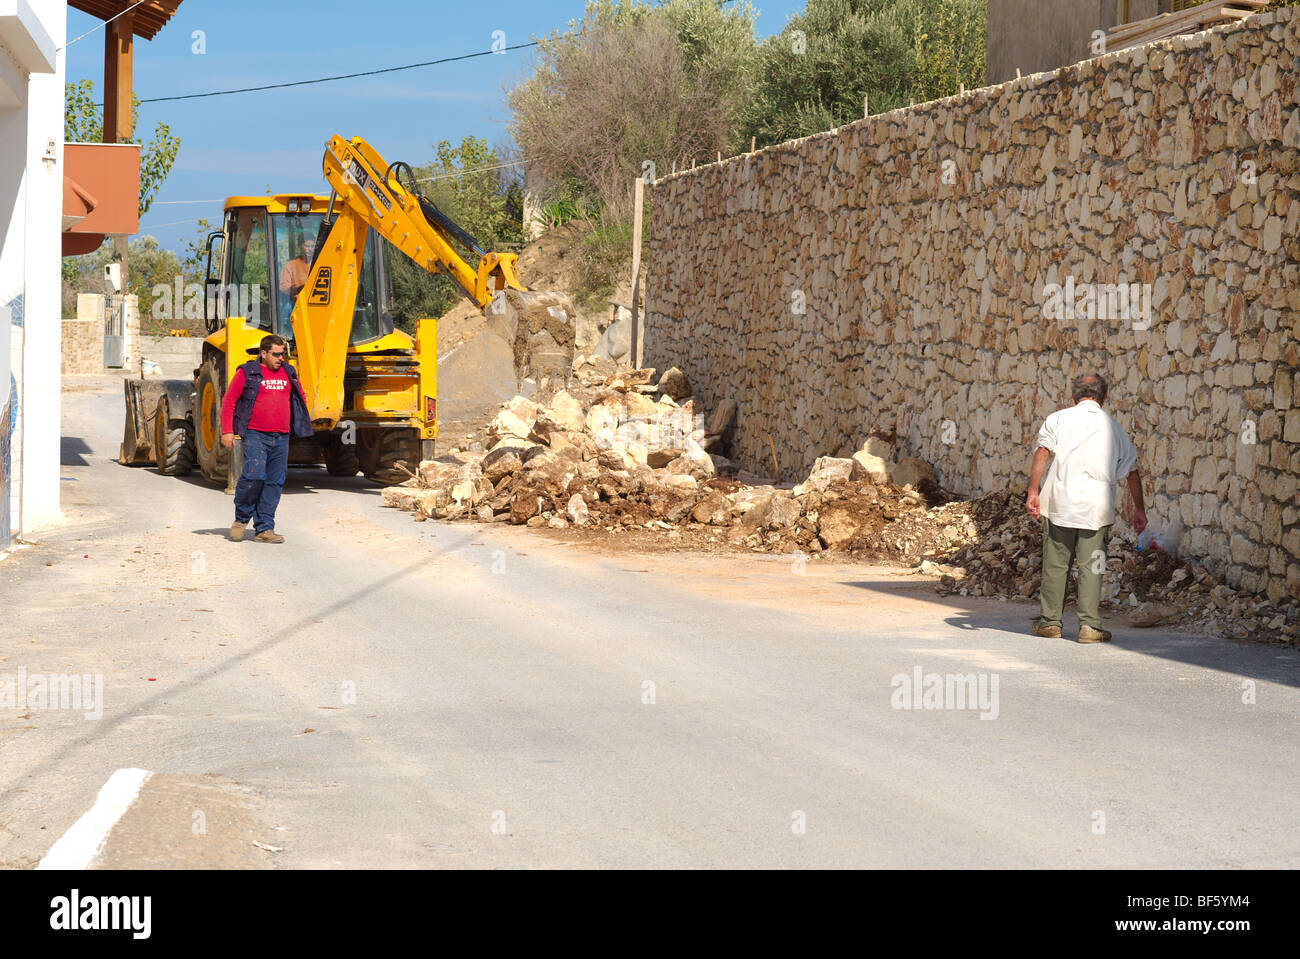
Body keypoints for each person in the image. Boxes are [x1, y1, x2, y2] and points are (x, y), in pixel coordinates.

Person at [1025, 373, 1147, 643]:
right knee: (1093, 566)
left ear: (1073, 396)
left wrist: (1033, 491)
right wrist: (1139, 510)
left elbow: (1042, 451)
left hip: (1059, 502)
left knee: (1056, 564)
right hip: (1096, 507)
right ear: (1104, 398)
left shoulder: (1057, 419)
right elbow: (1132, 471)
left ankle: (1050, 623)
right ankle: (1090, 627)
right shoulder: (1113, 427)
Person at [220, 334, 314, 543]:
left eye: (283, 354)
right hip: (255, 434)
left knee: (274, 482)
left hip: (281, 436)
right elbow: (229, 401)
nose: (281, 358)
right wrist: (227, 431)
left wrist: (299, 424)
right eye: (276, 354)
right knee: (254, 476)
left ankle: (264, 528)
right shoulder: (248, 373)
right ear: (263, 354)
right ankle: (241, 519)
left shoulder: (289, 372)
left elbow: (299, 397)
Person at [278, 235, 317, 325]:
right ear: (299, 246)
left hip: (315, 303)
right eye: (307, 246)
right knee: (287, 308)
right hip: (297, 304)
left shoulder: (318, 264)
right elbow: (283, 287)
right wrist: (299, 289)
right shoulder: (290, 265)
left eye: (312, 246)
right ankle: (291, 336)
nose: (310, 249)